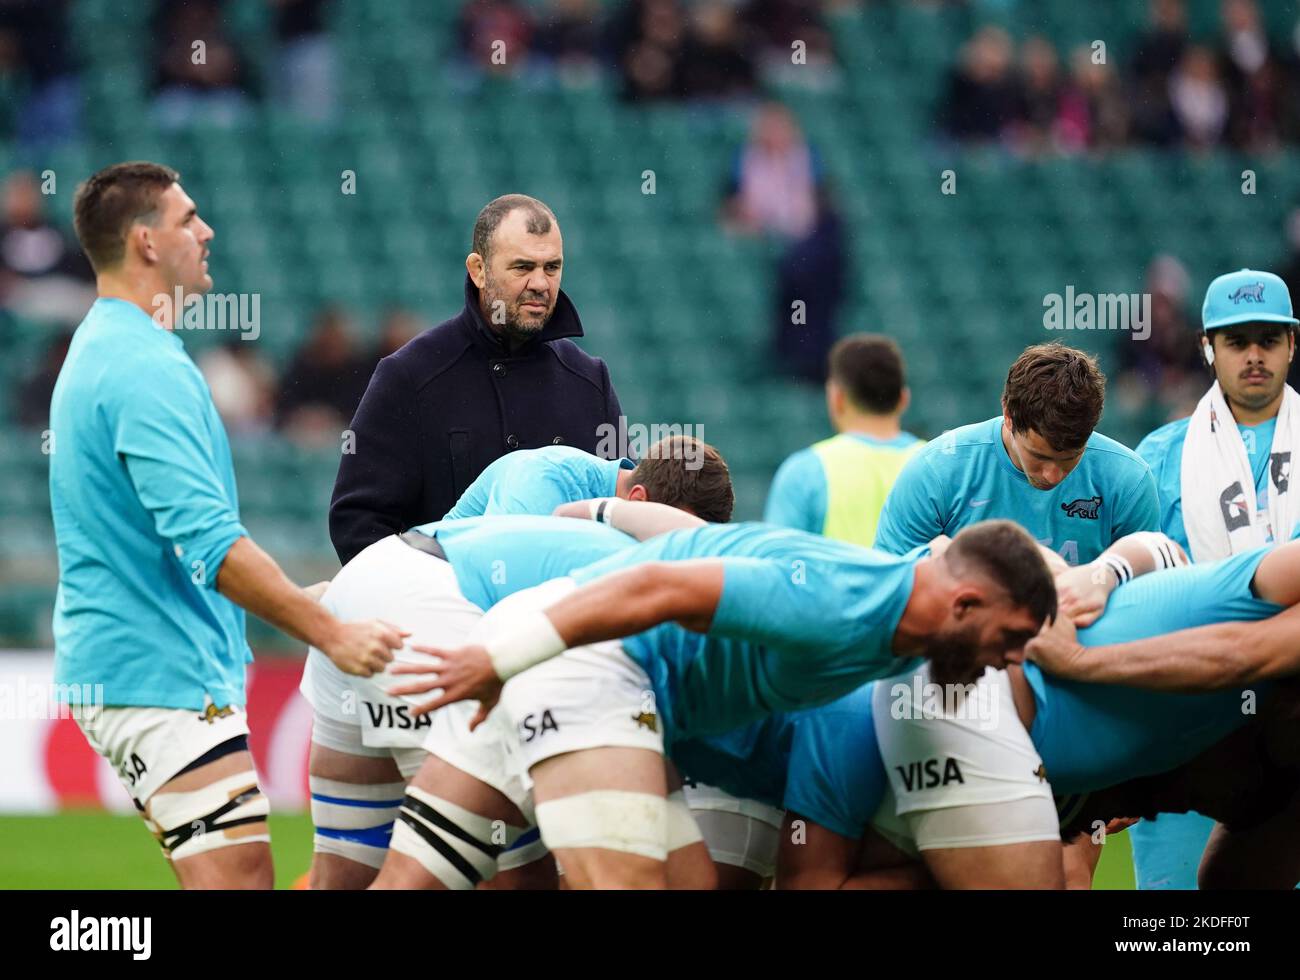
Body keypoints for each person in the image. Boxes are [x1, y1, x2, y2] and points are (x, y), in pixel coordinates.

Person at [50, 162, 404, 889]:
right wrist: (330, 631)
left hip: (147, 665)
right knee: (241, 879)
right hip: (154, 676)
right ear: (147, 241)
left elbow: (167, 541)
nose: (206, 231)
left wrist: (317, 600)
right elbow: (211, 544)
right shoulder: (141, 366)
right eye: (188, 219)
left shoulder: (120, 348)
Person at [386, 516, 1056, 888]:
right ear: (965, 605)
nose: (1016, 659)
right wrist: (499, 660)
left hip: (552, 650)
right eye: (1014, 639)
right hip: (586, 659)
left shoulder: (916, 616)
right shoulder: (838, 603)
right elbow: (656, 585)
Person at [329, 194, 624, 564]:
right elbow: (357, 523)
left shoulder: (590, 382)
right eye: (522, 267)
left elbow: (621, 512)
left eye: (552, 267)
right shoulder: (410, 376)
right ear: (478, 269)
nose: (541, 284)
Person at [1126, 267, 1299, 890]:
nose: (1254, 355)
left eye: (1268, 339)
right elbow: (1133, 601)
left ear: (1291, 344)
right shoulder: (1157, 458)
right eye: (1236, 340)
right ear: (1207, 346)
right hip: (1187, 730)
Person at [875, 342, 1159, 567]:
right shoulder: (936, 472)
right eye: (1040, 456)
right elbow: (890, 587)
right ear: (1009, 416)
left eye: (1070, 457)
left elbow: (1145, 599)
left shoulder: (1128, 482)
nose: (1053, 475)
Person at [765, 334, 923, 545]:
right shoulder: (939, 465)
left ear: (836, 398)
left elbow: (777, 563)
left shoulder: (804, 471)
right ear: (904, 399)